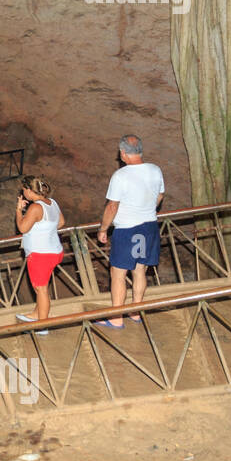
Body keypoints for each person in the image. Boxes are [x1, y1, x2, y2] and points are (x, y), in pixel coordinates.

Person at [97, 135, 165, 329]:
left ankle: (116, 318)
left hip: (128, 231)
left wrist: (103, 229)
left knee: (118, 274)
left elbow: (112, 207)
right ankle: (135, 312)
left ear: (123, 153)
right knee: (140, 270)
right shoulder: (155, 170)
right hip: (149, 227)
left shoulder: (121, 176)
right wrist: (146, 207)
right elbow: (160, 195)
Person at [15, 175, 67, 324]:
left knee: (41, 289)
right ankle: (36, 314)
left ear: (29, 190)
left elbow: (22, 228)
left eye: (24, 190)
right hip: (55, 251)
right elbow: (61, 222)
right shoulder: (52, 202)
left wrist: (19, 210)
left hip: (41, 255)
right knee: (43, 286)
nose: (23, 192)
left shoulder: (35, 207)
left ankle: (42, 325)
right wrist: (44, 229)